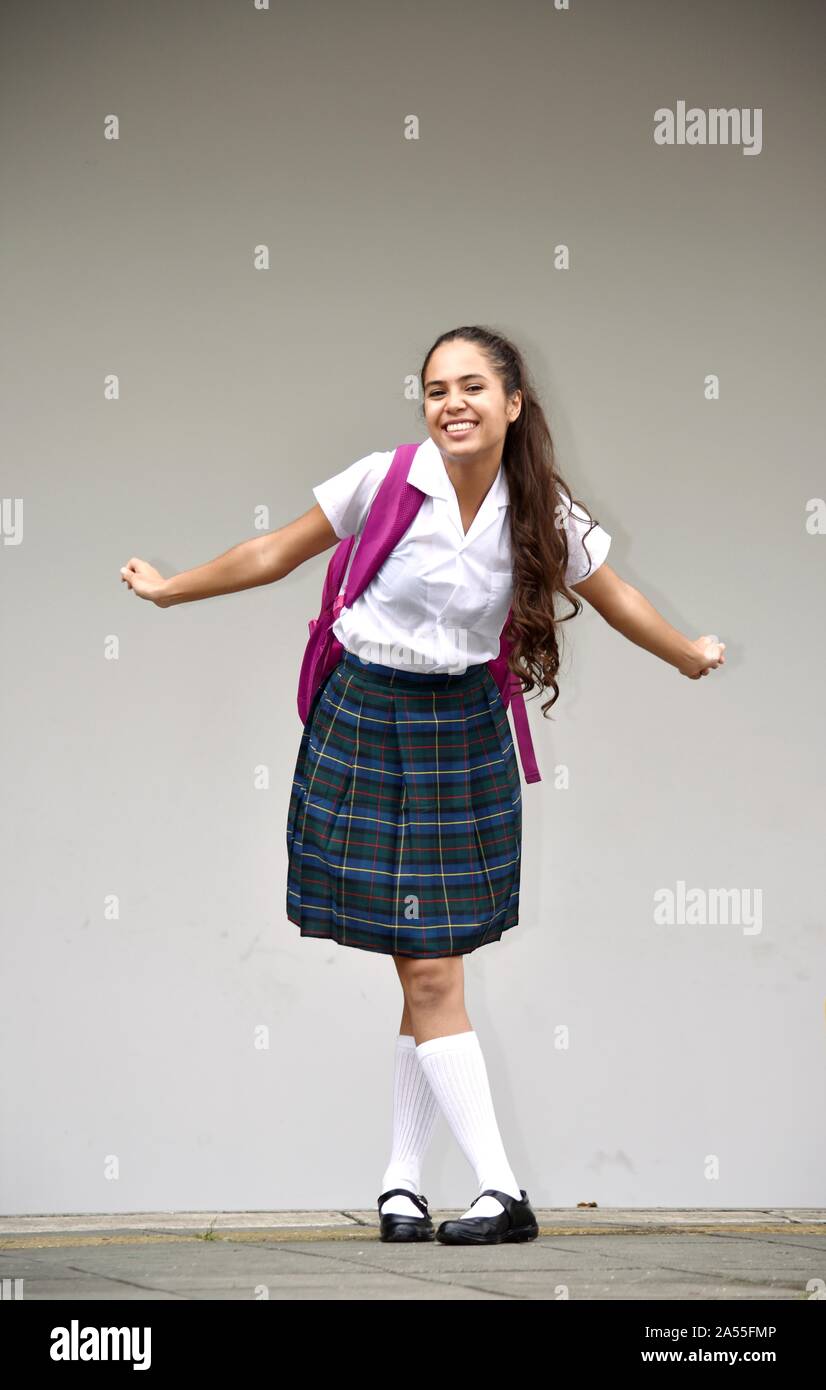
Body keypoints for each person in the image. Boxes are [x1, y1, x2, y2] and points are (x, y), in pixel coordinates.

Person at [119, 324, 726, 1247]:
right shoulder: (385, 478)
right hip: (364, 718)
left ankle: (403, 1187)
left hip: (460, 728)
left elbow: (613, 594)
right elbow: (275, 552)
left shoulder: (540, 507)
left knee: (428, 964)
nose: (453, 402)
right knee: (430, 962)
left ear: (514, 404)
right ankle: (501, 1191)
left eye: (474, 386)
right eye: (438, 388)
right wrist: (171, 591)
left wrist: (687, 655)